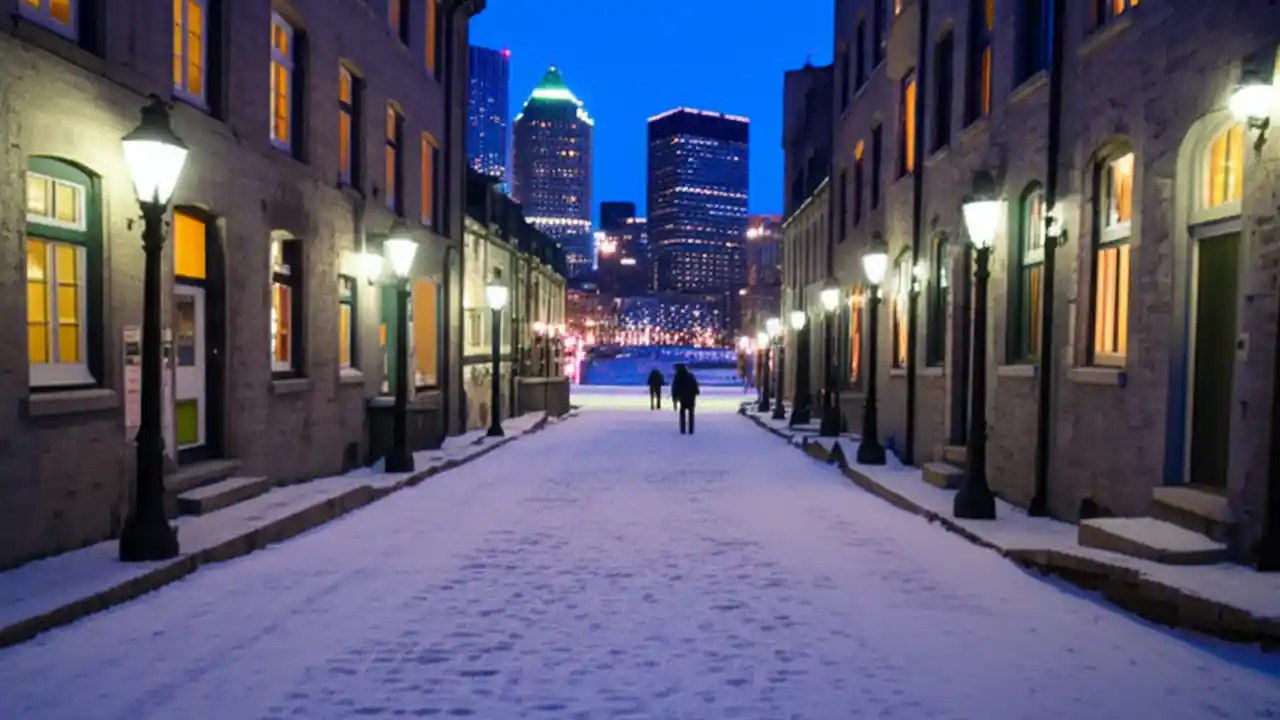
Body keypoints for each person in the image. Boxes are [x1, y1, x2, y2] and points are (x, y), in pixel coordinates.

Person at [671, 363, 701, 435]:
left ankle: (683, 429)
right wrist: (696, 392)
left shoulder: (677, 377)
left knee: (682, 413)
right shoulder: (690, 376)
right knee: (691, 414)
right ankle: (691, 430)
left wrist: (674, 399)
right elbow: (695, 385)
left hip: (682, 398)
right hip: (691, 397)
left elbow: (674, 388)